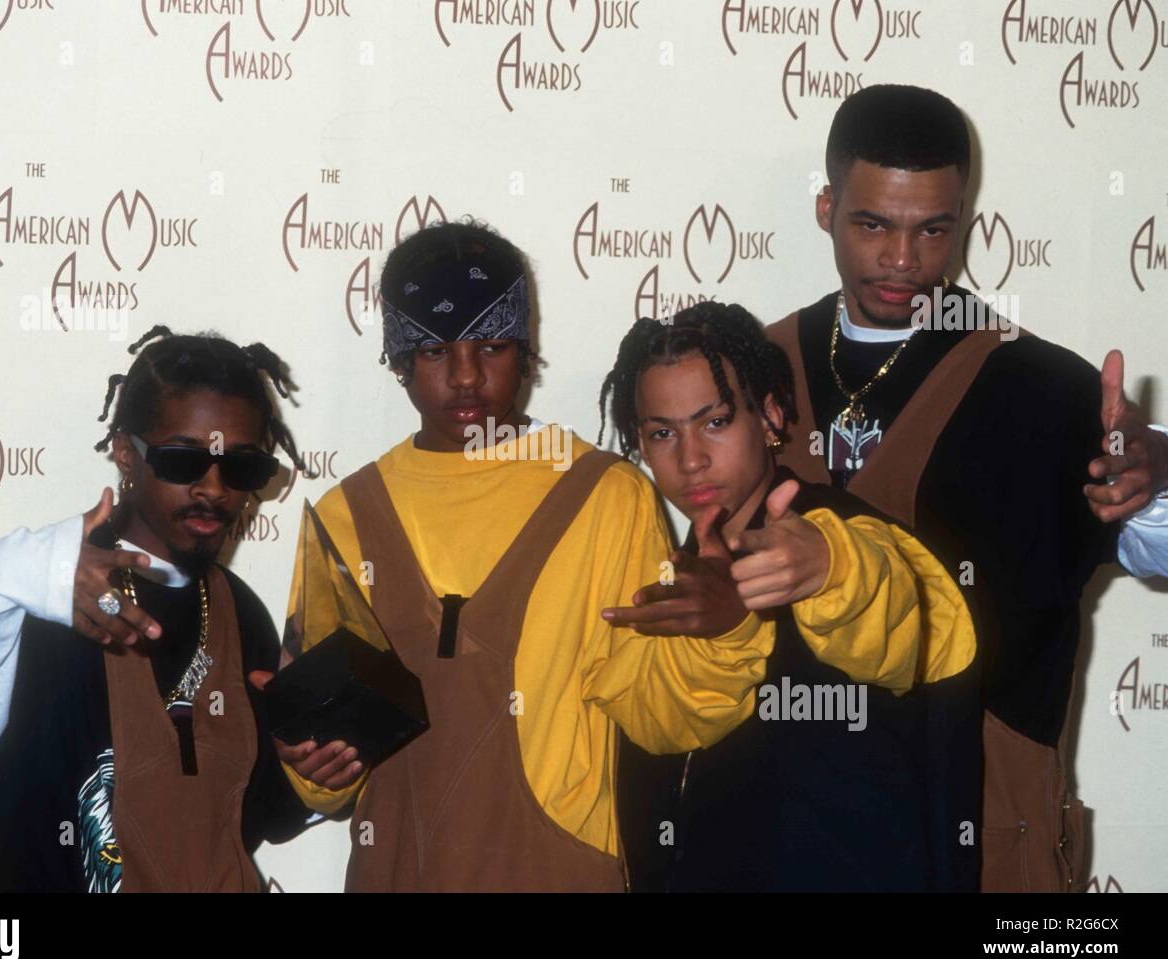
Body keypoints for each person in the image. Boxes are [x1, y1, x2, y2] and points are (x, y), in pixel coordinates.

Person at [275, 218, 783, 892]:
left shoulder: (605, 496)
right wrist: (311, 765)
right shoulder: (345, 516)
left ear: (525, 347)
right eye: (433, 352)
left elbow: (664, 716)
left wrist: (725, 633)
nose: (465, 377)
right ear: (397, 362)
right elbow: (327, 775)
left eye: (490, 346)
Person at [762, 84, 1168, 891]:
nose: (903, 260)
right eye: (872, 224)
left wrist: (1154, 479)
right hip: (785, 816)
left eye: (932, 230)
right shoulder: (750, 373)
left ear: (963, 223)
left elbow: (1150, 541)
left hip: (986, 825)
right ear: (824, 208)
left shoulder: (1045, 389)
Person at [0, 327, 313, 892]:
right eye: (182, 460)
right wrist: (31, 574)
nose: (215, 489)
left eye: (241, 469)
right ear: (126, 454)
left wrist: (311, 768)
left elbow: (255, 818)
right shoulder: (29, 600)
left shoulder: (241, 615)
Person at [601, 301, 977, 890]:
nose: (691, 458)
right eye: (662, 433)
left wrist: (829, 566)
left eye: (716, 421)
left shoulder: (846, 532)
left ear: (772, 416)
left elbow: (905, 619)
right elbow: (660, 732)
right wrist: (724, 631)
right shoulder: (673, 572)